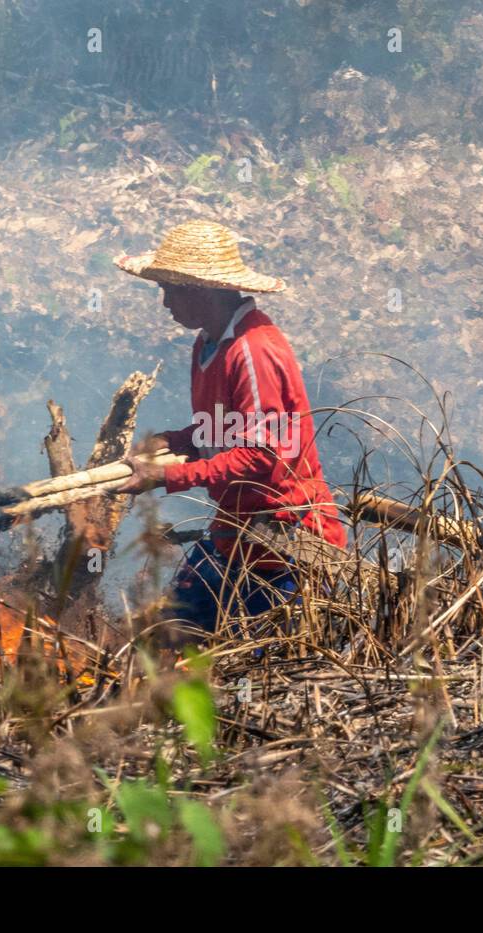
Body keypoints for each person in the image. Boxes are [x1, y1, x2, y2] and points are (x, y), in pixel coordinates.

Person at [112, 219, 347, 641]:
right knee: (165, 636)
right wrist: (178, 440)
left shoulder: (253, 351)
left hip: (283, 542)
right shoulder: (209, 343)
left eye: (170, 290)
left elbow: (262, 456)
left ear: (200, 291)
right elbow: (225, 428)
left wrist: (167, 477)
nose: (165, 303)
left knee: (259, 669)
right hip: (235, 530)